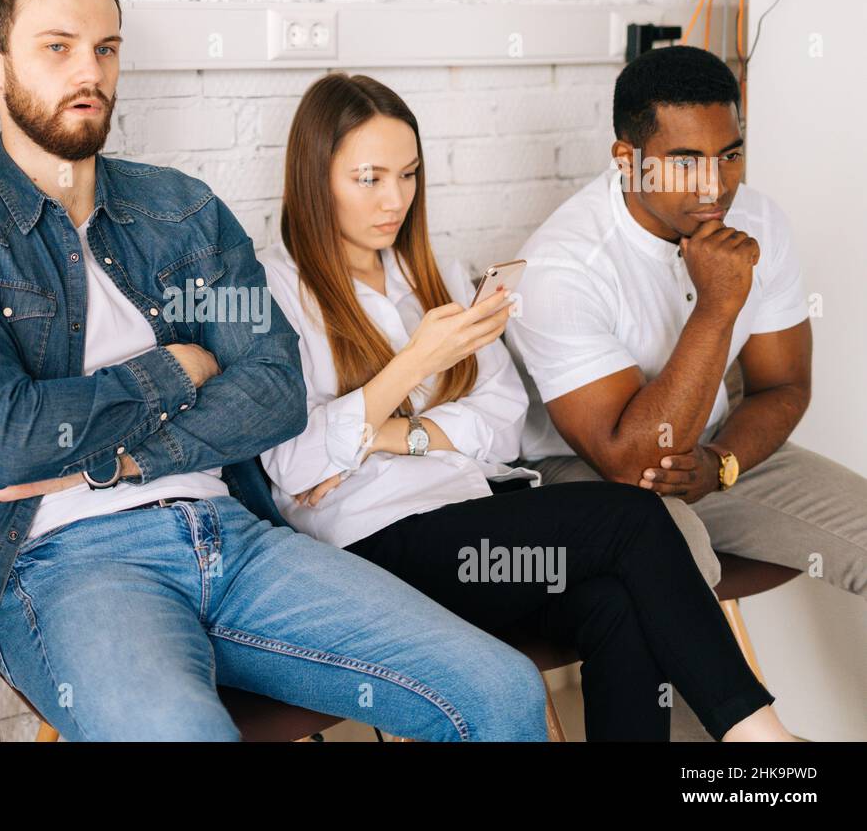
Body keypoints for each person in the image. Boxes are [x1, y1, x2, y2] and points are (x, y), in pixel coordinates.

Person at [0, 0, 549, 741]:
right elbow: (12, 439)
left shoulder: (185, 212)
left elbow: (272, 392)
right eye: (57, 47)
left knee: (502, 690)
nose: (89, 72)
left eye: (106, 49)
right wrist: (178, 369)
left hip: (235, 536)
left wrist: (114, 461)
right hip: (66, 563)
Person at [259, 71, 795, 741]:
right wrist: (415, 364)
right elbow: (295, 463)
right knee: (631, 518)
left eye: (409, 174)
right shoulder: (275, 294)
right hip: (379, 546)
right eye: (369, 178)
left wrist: (389, 436)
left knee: (615, 605)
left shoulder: (439, 275)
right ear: (316, 178)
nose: (393, 199)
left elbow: (504, 422)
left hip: (474, 523)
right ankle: (760, 736)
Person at [505, 45, 867, 600]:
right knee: (677, 557)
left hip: (714, 449)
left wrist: (722, 463)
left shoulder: (760, 221)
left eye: (730, 155)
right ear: (627, 159)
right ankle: (718, 693)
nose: (715, 185)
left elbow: (784, 385)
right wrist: (718, 306)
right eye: (685, 161)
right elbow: (631, 464)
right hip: (581, 469)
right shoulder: (560, 269)